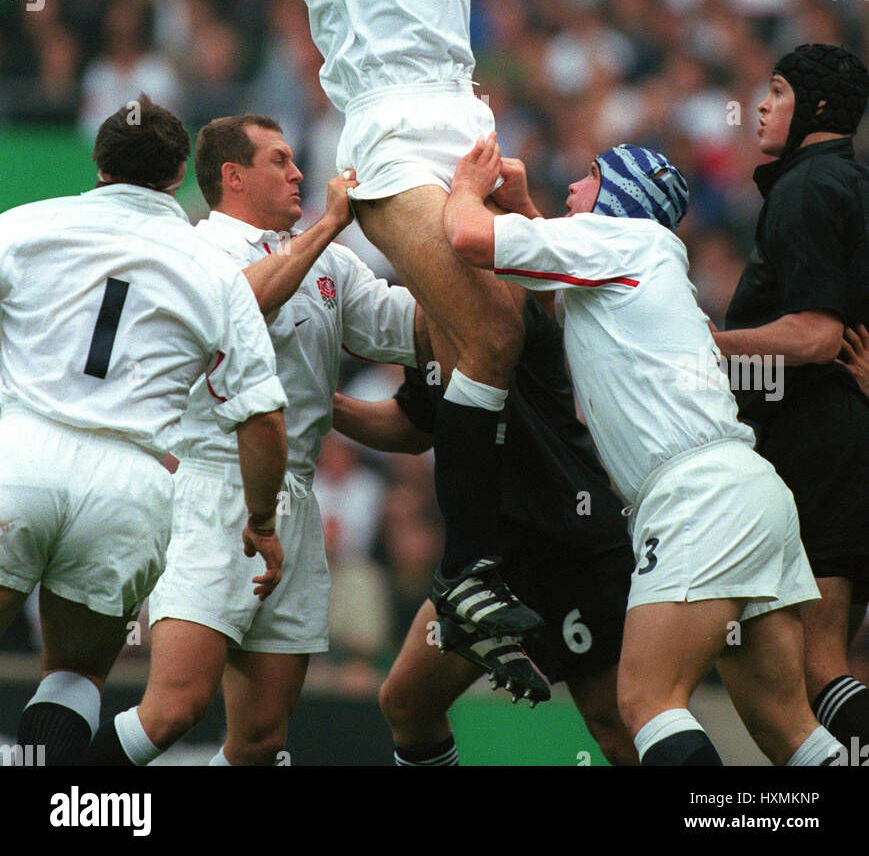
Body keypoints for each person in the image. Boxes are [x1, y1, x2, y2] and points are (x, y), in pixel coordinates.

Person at [246, 0, 537, 639]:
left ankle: (492, 549)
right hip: (385, 138)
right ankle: (468, 569)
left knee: (496, 336)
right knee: (490, 332)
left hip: (468, 124)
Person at [442, 133, 845, 766]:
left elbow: (466, 238)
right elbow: (563, 277)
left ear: (618, 195)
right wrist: (525, 208)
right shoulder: (637, 254)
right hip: (748, 491)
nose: (572, 186)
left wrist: (466, 187)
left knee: (648, 700)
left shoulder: (620, 242)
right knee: (789, 730)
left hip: (696, 498)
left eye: (589, 176)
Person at [84, 113, 424, 767]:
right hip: (214, 488)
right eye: (279, 160)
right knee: (174, 708)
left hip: (296, 496)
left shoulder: (333, 263)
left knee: (263, 737)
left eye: (295, 159)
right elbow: (233, 308)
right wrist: (328, 225)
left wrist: (468, 262)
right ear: (233, 177)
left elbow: (404, 328)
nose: (299, 173)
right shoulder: (196, 252)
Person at [0, 97, 287, 766]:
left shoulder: (23, 226)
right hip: (130, 483)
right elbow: (264, 417)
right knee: (74, 674)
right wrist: (262, 519)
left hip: (22, 454)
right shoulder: (215, 268)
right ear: (179, 173)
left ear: (98, 163)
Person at [333, 294, 639, 767]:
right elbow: (413, 428)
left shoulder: (501, 292)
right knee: (408, 703)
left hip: (565, 540)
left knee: (616, 728)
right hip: (487, 560)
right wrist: (320, 401)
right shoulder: (430, 312)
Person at [717, 43, 869, 757]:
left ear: (811, 108)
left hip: (819, 444)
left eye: (775, 91)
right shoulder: (854, 183)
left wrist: (705, 345)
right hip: (847, 440)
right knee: (815, 667)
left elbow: (813, 336)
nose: (759, 105)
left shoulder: (805, 191)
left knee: (816, 668)